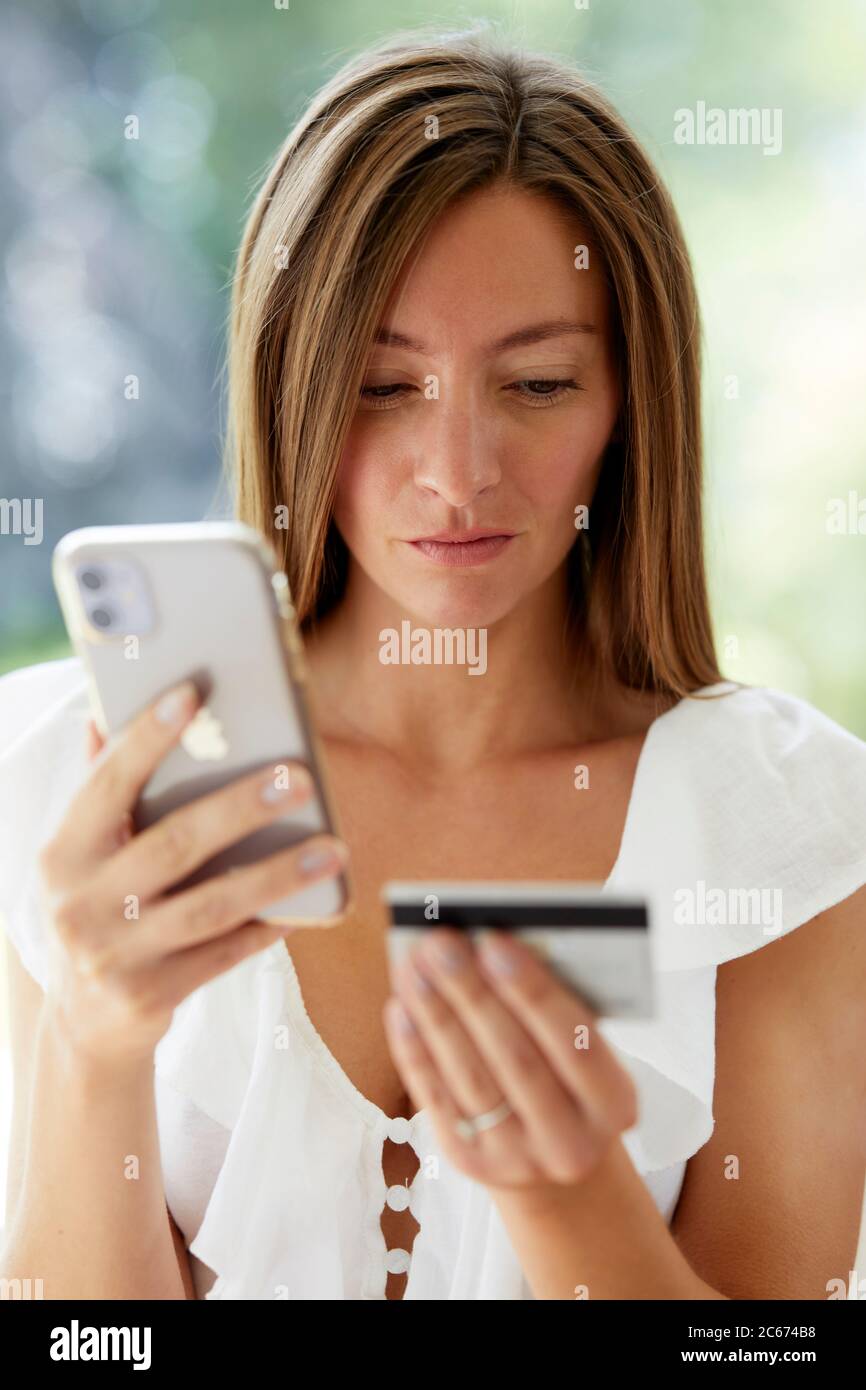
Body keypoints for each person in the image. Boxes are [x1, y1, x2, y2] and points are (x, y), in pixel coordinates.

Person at [2, 25, 865, 1302]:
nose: (457, 472)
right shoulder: (60, 779)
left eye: (535, 383)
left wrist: (573, 1207)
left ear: (631, 401)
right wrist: (92, 1041)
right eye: (384, 385)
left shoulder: (785, 825)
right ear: (289, 382)